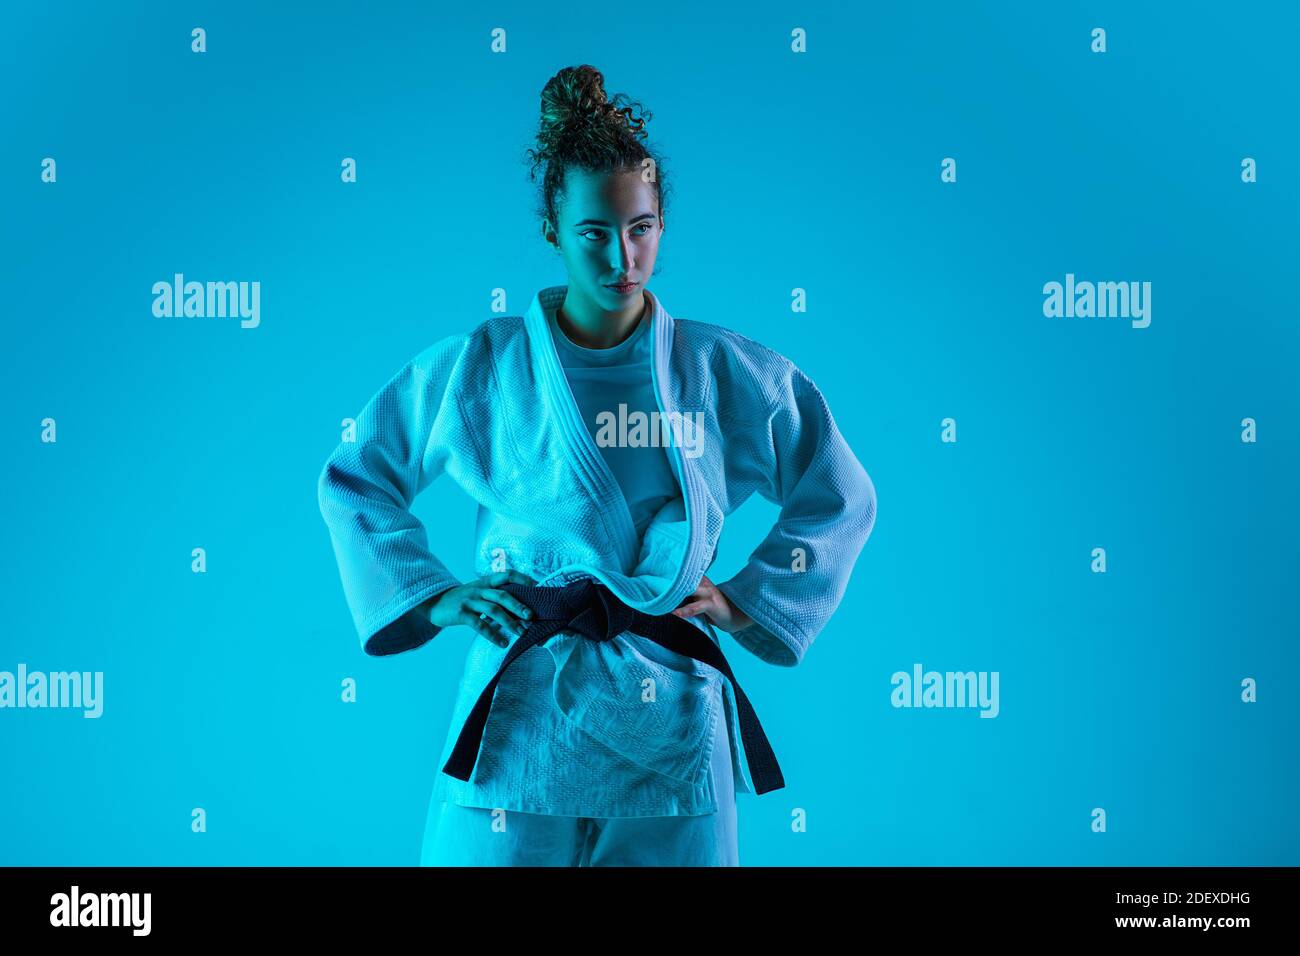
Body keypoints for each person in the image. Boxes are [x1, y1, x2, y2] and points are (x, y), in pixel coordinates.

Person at [316, 64, 877, 867]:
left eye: (641, 228)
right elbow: (355, 477)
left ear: (661, 225)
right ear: (553, 228)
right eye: (594, 232)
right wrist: (433, 596)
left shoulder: (720, 370)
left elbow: (841, 494)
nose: (623, 255)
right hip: (525, 709)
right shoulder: (485, 366)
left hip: (672, 717)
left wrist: (749, 602)